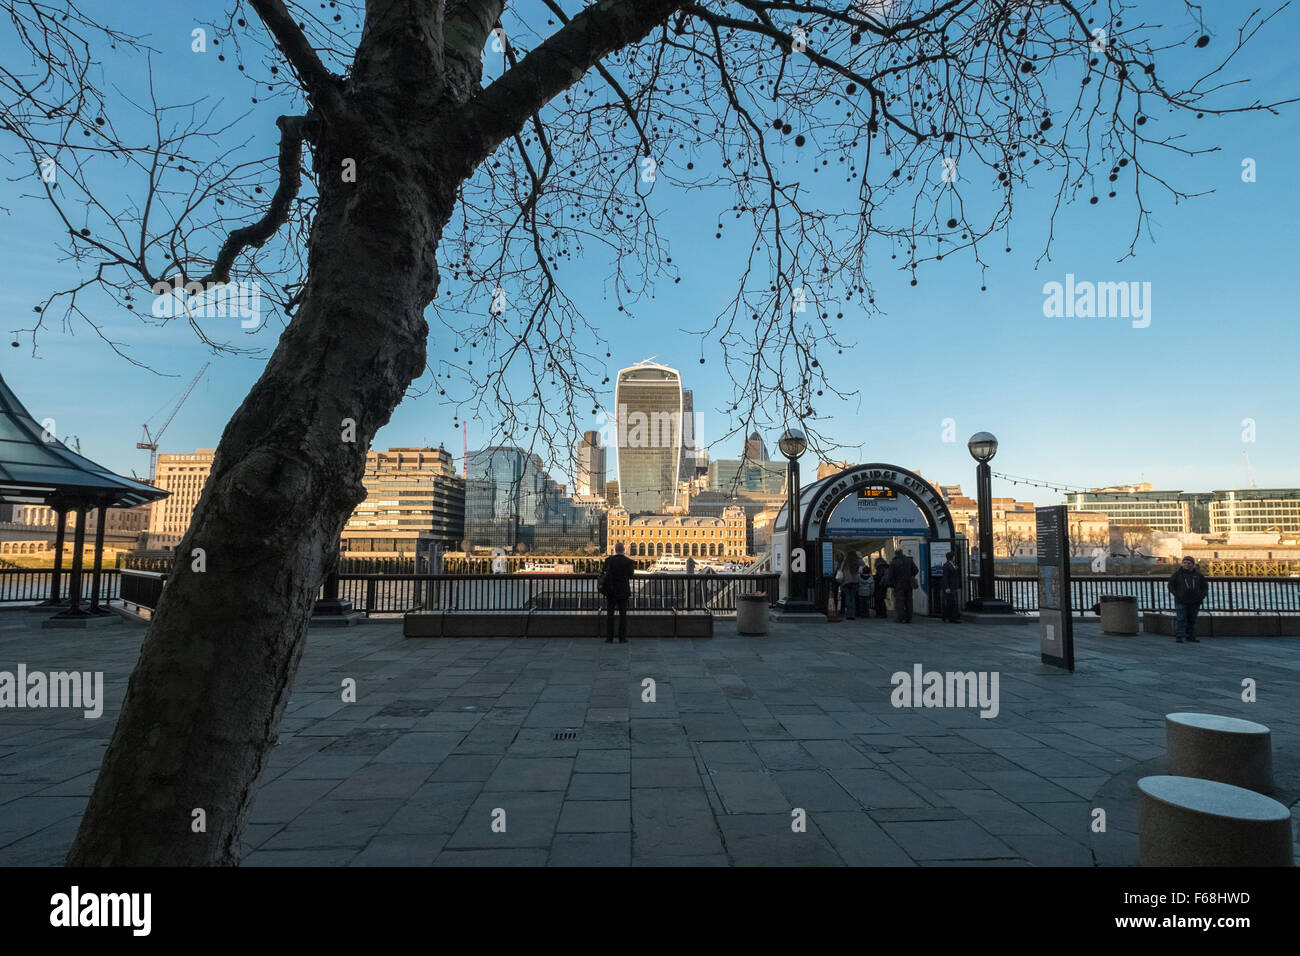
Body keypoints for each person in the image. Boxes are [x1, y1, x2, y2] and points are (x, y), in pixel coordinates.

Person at [601, 542, 636, 643]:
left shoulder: (608, 560)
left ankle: (609, 638)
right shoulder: (629, 561)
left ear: (615, 550)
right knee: (623, 615)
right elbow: (631, 576)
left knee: (610, 614)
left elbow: (603, 572)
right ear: (623, 550)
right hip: (623, 590)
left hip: (611, 590)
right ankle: (622, 637)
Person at [1168, 555, 1208, 643]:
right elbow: (1170, 585)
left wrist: (1201, 596)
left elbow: (1204, 587)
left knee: (1192, 620)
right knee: (1181, 619)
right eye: (1184, 563)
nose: (1186, 565)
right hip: (1181, 600)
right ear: (1182, 564)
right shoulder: (1177, 575)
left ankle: (1191, 637)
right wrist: (1176, 594)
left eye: (1189, 563)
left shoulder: (1199, 575)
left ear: (1193, 565)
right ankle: (1179, 637)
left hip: (1195, 601)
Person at [889, 548, 918, 623]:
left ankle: (901, 617)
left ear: (896, 554)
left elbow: (890, 575)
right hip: (908, 584)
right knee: (909, 601)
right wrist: (911, 575)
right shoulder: (909, 560)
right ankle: (909, 617)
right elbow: (916, 570)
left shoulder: (894, 562)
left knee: (900, 602)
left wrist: (893, 583)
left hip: (898, 585)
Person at [837, 550, 862, 620]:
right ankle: (853, 614)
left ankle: (848, 614)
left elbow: (840, 569)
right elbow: (862, 569)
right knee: (853, 598)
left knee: (847, 597)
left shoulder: (845, 562)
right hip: (855, 581)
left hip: (846, 581)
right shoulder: (857, 562)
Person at [940, 552, 962, 623]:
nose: (954, 558)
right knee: (952, 602)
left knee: (951, 602)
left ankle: (946, 616)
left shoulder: (952, 565)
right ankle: (951, 617)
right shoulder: (946, 566)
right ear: (952, 557)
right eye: (954, 557)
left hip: (954, 586)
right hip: (950, 587)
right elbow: (945, 577)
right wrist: (947, 587)